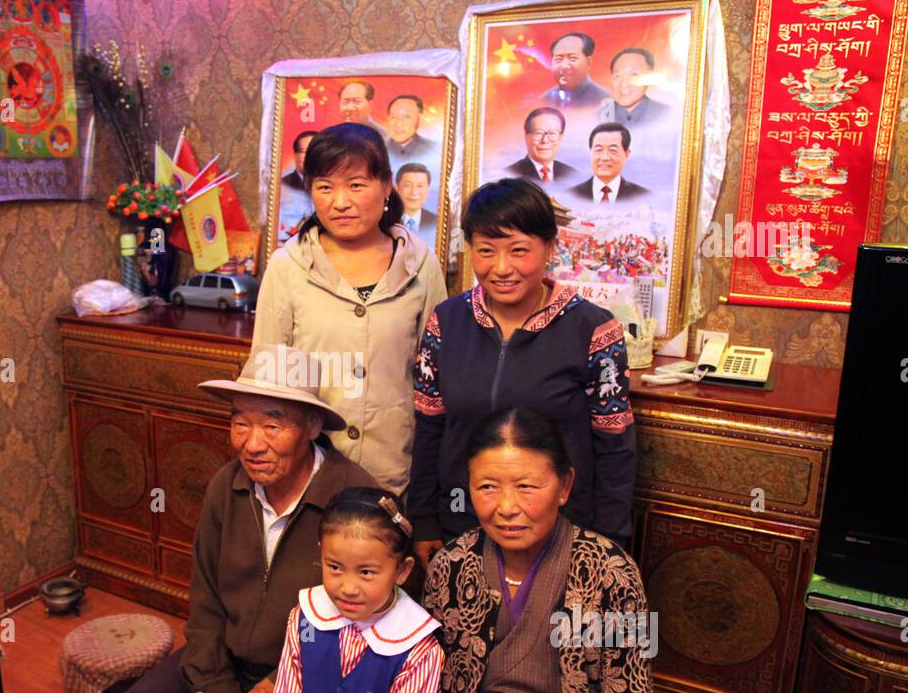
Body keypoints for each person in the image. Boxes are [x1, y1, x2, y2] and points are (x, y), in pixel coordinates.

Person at [114, 346, 378, 693]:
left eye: (273, 424)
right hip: (229, 653)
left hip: (305, 677)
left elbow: (363, 626)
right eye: (240, 422)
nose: (252, 443)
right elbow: (206, 599)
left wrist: (278, 684)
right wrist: (213, 687)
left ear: (313, 428)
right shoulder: (227, 485)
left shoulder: (354, 499)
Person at [386, 407, 656, 693]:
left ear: (564, 487)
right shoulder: (452, 565)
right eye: (488, 487)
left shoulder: (613, 573)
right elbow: (424, 688)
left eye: (527, 487)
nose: (506, 507)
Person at [410, 177, 636, 562]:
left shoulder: (593, 329)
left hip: (558, 528)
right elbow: (430, 427)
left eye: (519, 250)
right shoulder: (446, 322)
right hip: (463, 518)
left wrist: (609, 540)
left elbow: (614, 445)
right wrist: (425, 516)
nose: (501, 268)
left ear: (549, 247)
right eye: (485, 251)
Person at [254, 122, 447, 496]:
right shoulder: (288, 265)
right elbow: (268, 386)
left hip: (393, 474)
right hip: (310, 476)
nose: (340, 202)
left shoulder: (420, 265)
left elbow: (434, 381)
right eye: (324, 187)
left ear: (386, 186)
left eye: (356, 185)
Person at [251, 488, 443, 693]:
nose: (348, 587)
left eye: (367, 572)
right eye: (335, 567)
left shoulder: (419, 652)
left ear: (402, 571)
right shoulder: (304, 620)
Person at [567, 122, 650, 204]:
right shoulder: (571, 194)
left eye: (613, 150)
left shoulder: (642, 196)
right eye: (598, 150)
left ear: (626, 154)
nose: (604, 158)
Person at [385, 94, 441, 204]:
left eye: (407, 117)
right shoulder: (375, 150)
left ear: (419, 119)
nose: (399, 123)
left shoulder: (435, 151)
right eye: (393, 117)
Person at [597, 48, 671, 130]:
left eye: (634, 75)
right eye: (618, 76)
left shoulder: (668, 115)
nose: (624, 84)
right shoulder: (595, 117)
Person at [503, 107, 578, 187]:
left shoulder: (572, 174)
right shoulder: (508, 175)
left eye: (552, 133)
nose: (545, 140)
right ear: (526, 136)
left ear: (561, 137)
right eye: (538, 133)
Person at [540, 32, 610, 110]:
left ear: (588, 62)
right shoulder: (543, 101)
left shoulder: (605, 100)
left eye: (572, 58)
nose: (564, 66)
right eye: (559, 59)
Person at [395, 163, 438, 245]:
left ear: (428, 189)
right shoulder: (386, 221)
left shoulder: (436, 221)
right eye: (407, 185)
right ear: (397, 188)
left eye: (420, 186)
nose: (414, 192)